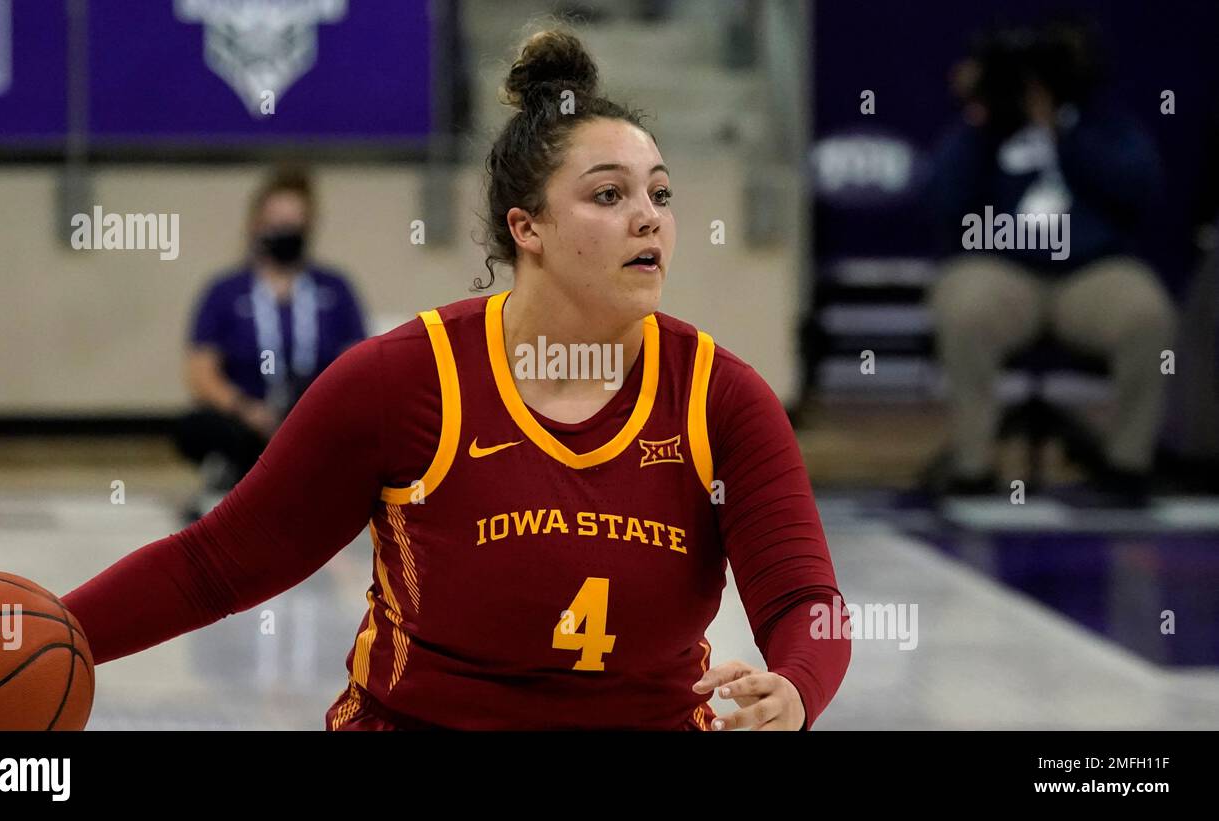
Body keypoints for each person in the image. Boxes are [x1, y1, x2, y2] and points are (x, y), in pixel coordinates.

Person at [62, 29, 850, 730]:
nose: (649, 216)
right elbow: (216, 564)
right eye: (609, 194)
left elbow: (805, 604)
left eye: (661, 194)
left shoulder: (723, 398)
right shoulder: (404, 380)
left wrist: (796, 687)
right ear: (527, 227)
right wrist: (50, 636)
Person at [925, 19, 1177, 505]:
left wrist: (1059, 130)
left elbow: (1139, 190)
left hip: (1089, 271)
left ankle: (1127, 464)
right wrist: (980, 114)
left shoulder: (1103, 124)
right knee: (964, 305)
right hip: (1001, 267)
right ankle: (972, 465)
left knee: (1147, 313)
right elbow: (942, 203)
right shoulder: (982, 127)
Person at [175, 168, 368, 505]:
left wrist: (318, 411)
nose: (286, 231)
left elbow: (359, 362)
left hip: (313, 413)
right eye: (277, 221)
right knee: (197, 427)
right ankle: (238, 474)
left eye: (295, 222)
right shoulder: (225, 290)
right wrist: (245, 408)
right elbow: (200, 372)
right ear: (256, 225)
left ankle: (314, 472)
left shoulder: (333, 288)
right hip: (246, 417)